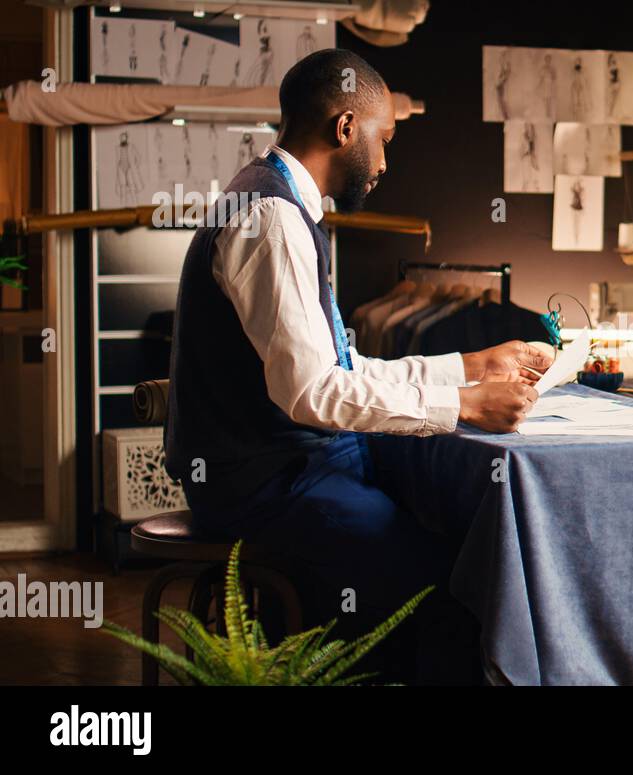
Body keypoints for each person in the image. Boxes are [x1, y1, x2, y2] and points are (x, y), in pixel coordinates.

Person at [164, 48, 552, 683]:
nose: (384, 161)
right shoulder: (271, 220)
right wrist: (464, 405)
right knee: (452, 585)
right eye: (384, 139)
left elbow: (339, 368)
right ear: (345, 128)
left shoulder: (277, 204)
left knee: (449, 527)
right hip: (261, 487)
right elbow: (313, 393)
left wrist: (470, 365)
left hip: (282, 469)